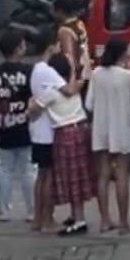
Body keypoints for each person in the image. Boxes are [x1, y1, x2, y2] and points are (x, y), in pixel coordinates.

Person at [30, 52, 95, 236]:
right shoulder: (72, 88)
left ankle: (79, 219)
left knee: (70, 177)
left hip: (64, 134)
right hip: (80, 130)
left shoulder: (51, 92)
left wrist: (31, 103)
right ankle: (77, 215)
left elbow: (33, 111)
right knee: (80, 174)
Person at [87, 37, 130, 233]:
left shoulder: (96, 74)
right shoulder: (128, 76)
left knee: (103, 174)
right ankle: (124, 221)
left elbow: (89, 104)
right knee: (122, 174)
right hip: (123, 128)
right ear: (123, 53)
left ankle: (104, 220)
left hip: (101, 128)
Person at [0, 29, 34, 222]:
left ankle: (3, 211)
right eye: (22, 44)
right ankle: (31, 211)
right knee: (28, 170)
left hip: (3, 126)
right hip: (25, 126)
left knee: (4, 169)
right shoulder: (28, 71)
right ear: (18, 49)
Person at [29, 50, 64, 231]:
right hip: (49, 135)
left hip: (37, 134)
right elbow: (68, 88)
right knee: (49, 177)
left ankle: (37, 218)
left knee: (41, 177)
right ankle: (47, 219)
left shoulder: (36, 71)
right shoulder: (52, 87)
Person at [52, 0, 89, 83]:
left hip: (75, 76)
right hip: (86, 70)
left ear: (60, 11)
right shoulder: (79, 23)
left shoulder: (65, 30)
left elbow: (69, 58)